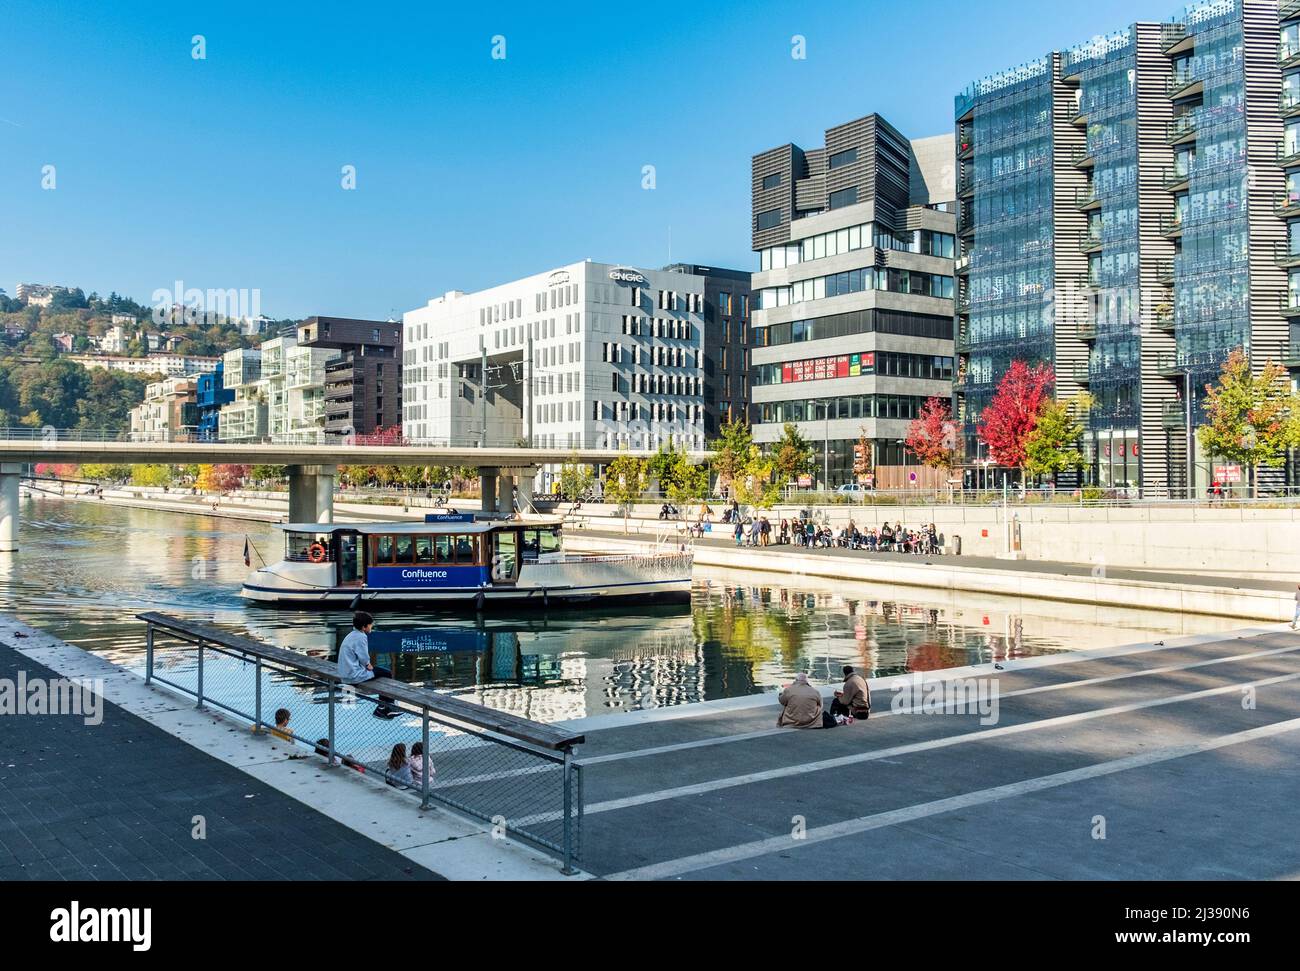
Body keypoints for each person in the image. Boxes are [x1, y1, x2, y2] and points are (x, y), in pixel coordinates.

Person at [338, 611, 400, 718]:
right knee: (387, 673)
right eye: (370, 624)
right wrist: (368, 665)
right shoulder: (361, 637)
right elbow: (363, 655)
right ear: (364, 627)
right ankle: (385, 708)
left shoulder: (351, 635)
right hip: (354, 675)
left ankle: (383, 707)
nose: (372, 626)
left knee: (379, 673)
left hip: (345, 673)